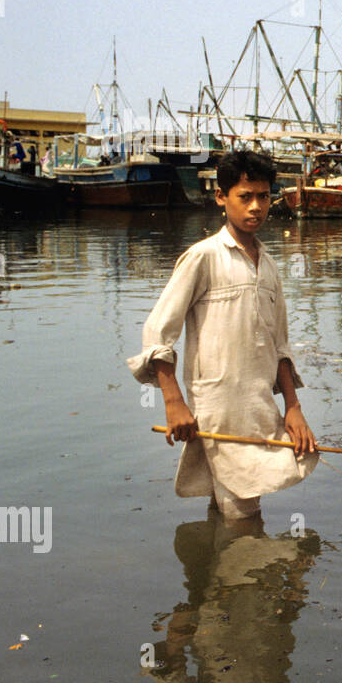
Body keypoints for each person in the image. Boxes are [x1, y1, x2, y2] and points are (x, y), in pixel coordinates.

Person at [128, 149, 317, 519]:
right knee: (244, 516)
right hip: (217, 406)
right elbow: (158, 331)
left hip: (257, 406)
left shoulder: (270, 267)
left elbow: (280, 345)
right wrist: (173, 401)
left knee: (228, 507)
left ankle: (214, 574)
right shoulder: (204, 257)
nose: (255, 207)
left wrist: (292, 408)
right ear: (221, 197)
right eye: (244, 196)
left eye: (263, 196)